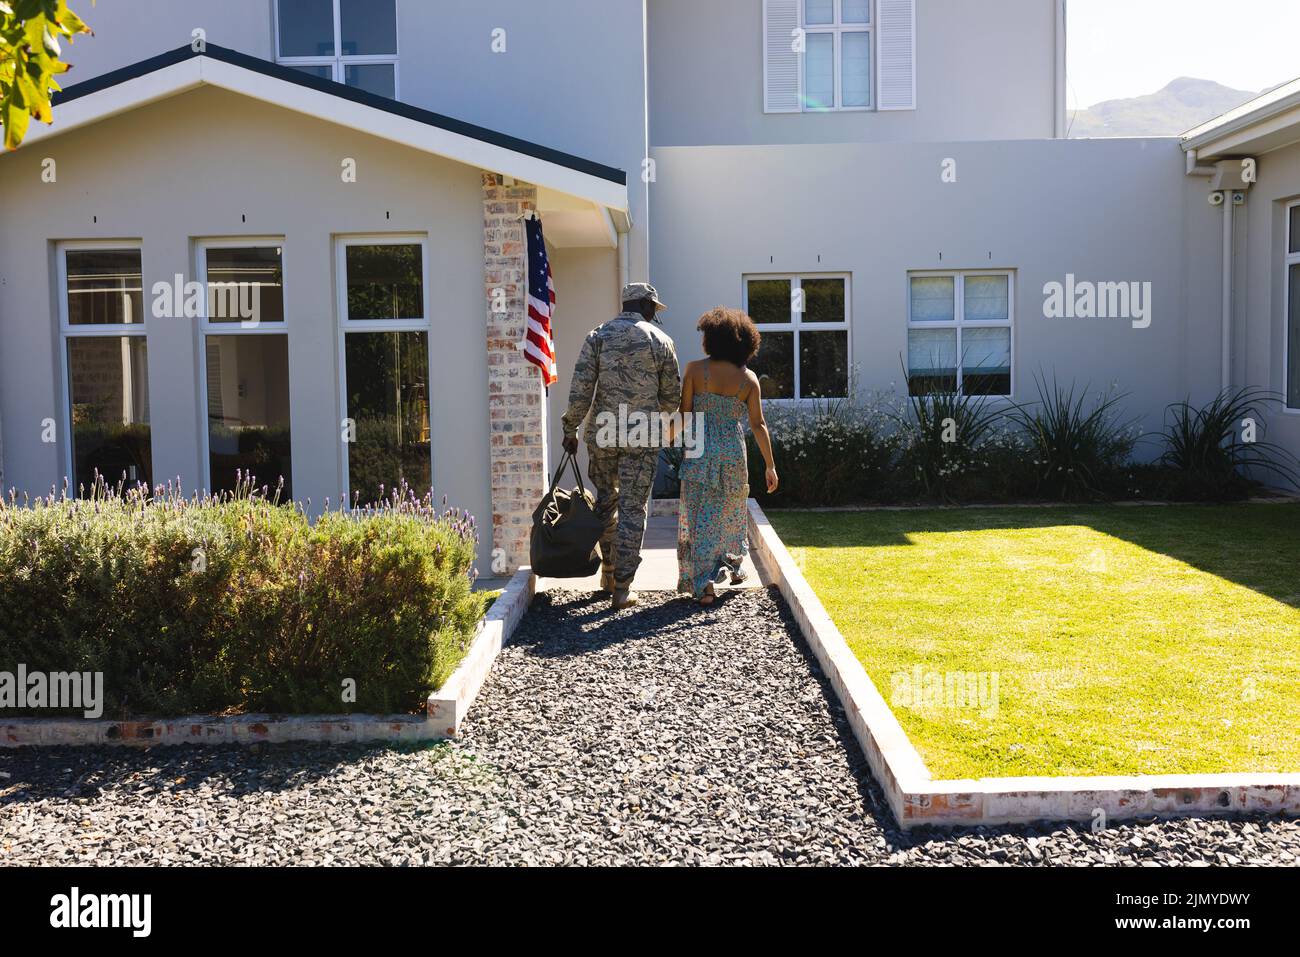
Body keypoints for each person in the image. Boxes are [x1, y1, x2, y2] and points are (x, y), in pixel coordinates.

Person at [562, 282, 681, 609]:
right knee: (632, 508)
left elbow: (581, 388)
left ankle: (609, 572)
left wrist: (570, 427)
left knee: (605, 501)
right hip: (641, 435)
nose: (655, 314)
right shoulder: (661, 341)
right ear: (645, 305)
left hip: (602, 435)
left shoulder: (597, 336)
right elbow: (672, 397)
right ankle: (622, 589)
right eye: (654, 308)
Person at [675, 307, 778, 606]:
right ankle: (731, 565)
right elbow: (758, 425)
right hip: (733, 450)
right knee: (730, 512)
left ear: (712, 339)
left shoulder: (695, 370)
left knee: (700, 516)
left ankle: (705, 584)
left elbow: (684, 415)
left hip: (700, 449)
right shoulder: (749, 379)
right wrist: (770, 465)